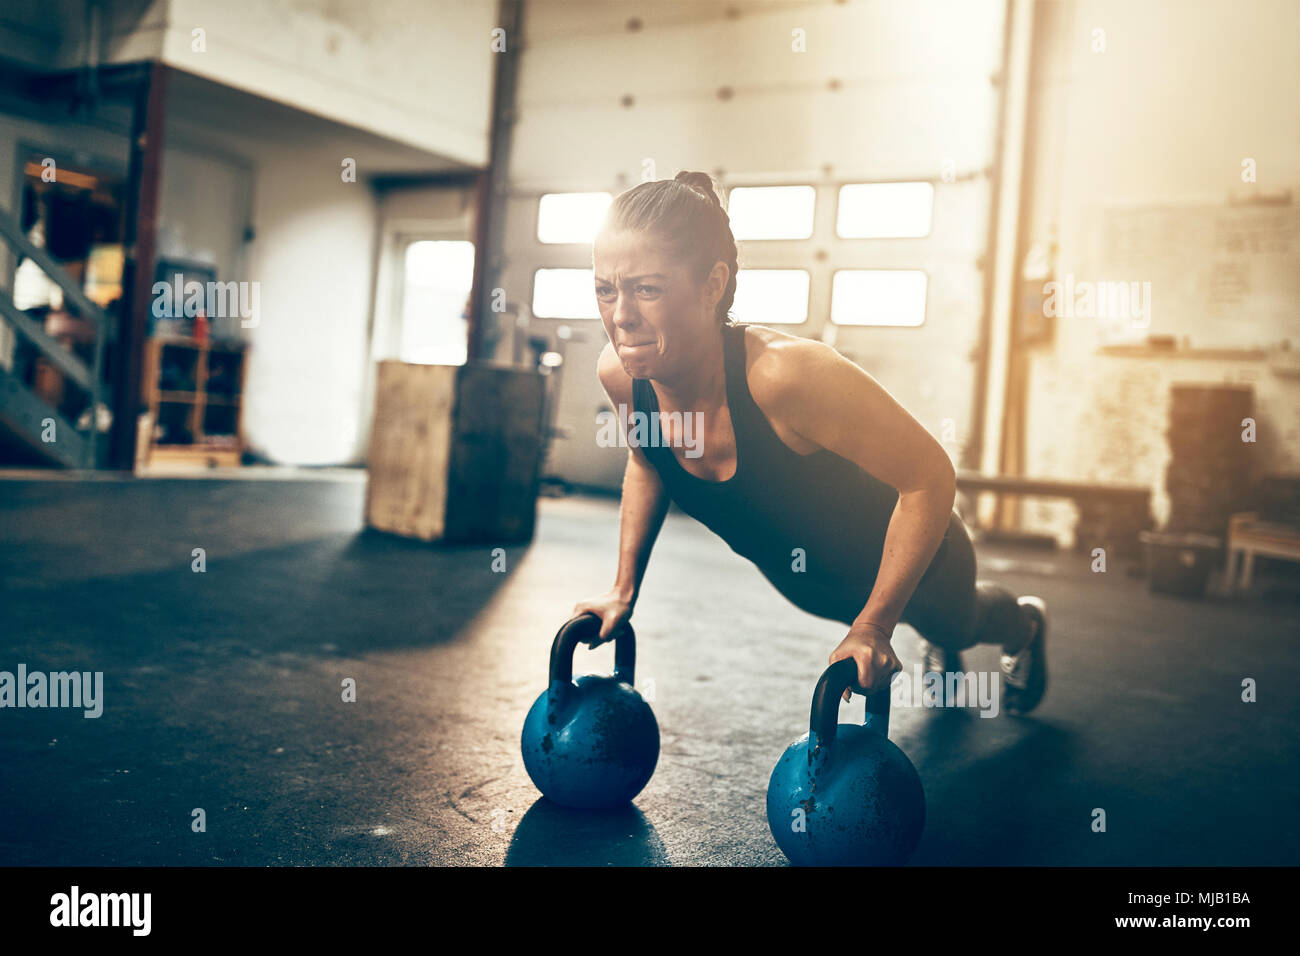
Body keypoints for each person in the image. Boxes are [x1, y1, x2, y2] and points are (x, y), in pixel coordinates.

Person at [573, 171, 1048, 714]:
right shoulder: (620, 377)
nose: (620, 316)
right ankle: (921, 631)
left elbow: (929, 478)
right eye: (605, 290)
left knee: (962, 626)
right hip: (812, 587)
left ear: (711, 284)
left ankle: (1025, 626)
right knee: (909, 630)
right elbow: (648, 462)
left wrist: (873, 626)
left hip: (923, 567)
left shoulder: (785, 376)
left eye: (647, 289)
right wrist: (622, 589)